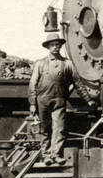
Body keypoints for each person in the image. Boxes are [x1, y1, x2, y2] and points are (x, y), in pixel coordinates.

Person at [29, 32, 74, 163]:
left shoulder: (67, 63)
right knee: (45, 128)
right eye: (52, 45)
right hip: (42, 100)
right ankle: (47, 155)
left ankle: (56, 154)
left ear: (60, 46)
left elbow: (75, 82)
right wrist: (32, 103)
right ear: (48, 47)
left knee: (59, 128)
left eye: (57, 45)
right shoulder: (40, 63)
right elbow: (33, 83)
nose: (55, 47)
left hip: (59, 100)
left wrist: (65, 95)